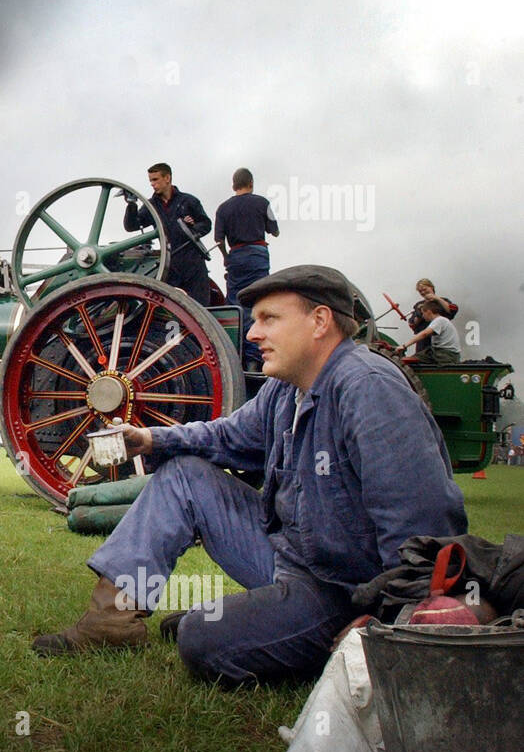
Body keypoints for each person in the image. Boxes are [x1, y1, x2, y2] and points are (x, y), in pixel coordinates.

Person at [31, 265, 467, 685]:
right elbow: (229, 436)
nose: (254, 333)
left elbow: (421, 526)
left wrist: (385, 623)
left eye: (269, 319)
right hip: (292, 561)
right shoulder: (285, 390)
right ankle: (111, 620)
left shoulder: (368, 387)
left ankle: (253, 625)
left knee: (202, 639)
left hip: (347, 590)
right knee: (184, 475)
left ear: (320, 321)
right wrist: (151, 439)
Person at [213, 167, 279, 369]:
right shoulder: (262, 203)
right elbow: (274, 231)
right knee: (256, 302)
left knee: (234, 301)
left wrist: (226, 258)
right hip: (257, 254)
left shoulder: (223, 208)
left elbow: (218, 240)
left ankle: (233, 353)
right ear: (251, 183)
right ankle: (252, 359)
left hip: (236, 256)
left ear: (234, 185)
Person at [124, 163, 213, 305]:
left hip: (193, 262)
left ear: (167, 178)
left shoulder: (188, 201)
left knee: (200, 305)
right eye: (151, 181)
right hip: (170, 263)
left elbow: (206, 224)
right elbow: (132, 225)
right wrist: (131, 205)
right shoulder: (151, 205)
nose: (152, 184)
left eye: (155, 180)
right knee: (169, 308)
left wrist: (193, 229)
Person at [396, 300, 461, 364]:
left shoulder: (439, 320)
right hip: (442, 353)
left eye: (423, 313)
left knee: (409, 361)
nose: (423, 316)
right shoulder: (441, 320)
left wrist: (404, 346)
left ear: (429, 312)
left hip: (446, 355)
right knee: (415, 357)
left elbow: (424, 334)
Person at [406, 279, 459, 357]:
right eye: (420, 291)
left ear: (431, 287)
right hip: (423, 341)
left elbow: (451, 311)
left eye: (425, 289)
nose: (423, 292)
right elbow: (413, 324)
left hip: (440, 339)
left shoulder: (443, 301)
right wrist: (421, 312)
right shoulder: (419, 305)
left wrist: (437, 298)